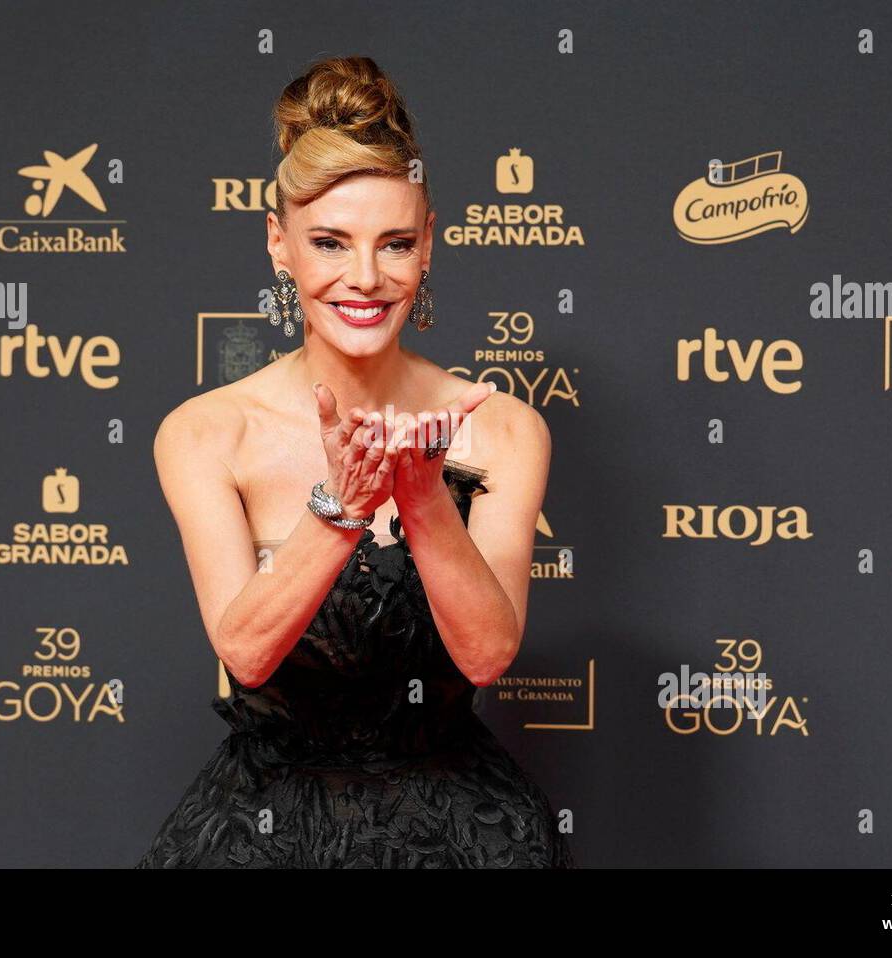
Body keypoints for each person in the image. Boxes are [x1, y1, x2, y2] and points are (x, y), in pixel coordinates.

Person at [136, 55, 573, 868]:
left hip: (457, 836)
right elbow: (246, 651)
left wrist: (424, 499)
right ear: (279, 245)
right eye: (329, 243)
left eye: (395, 243)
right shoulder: (206, 432)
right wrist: (341, 508)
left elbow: (486, 655)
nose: (365, 278)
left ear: (428, 246)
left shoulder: (502, 429)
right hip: (264, 836)